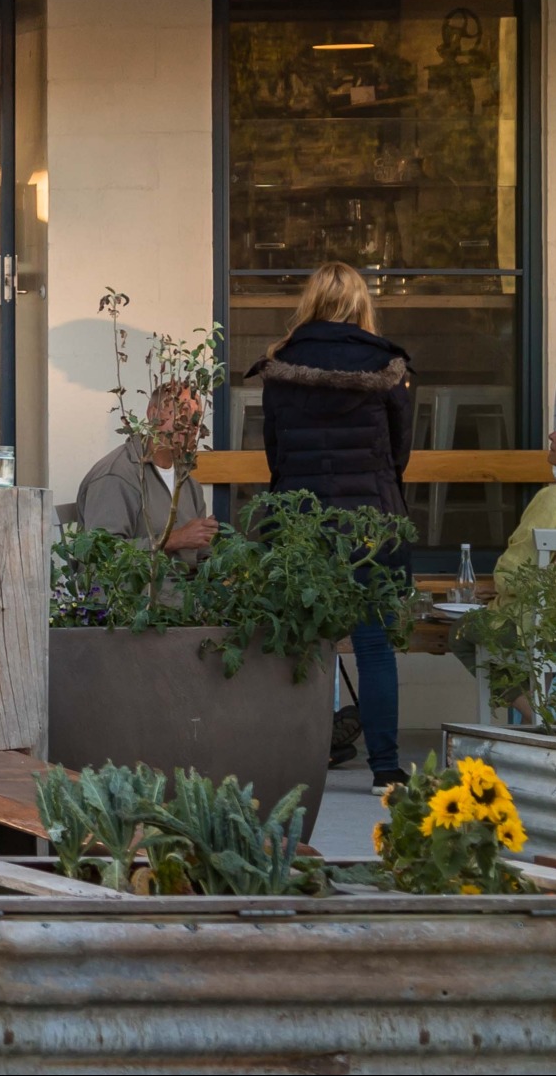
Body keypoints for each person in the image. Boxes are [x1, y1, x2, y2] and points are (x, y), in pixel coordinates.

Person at [243, 261, 415, 794]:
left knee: (301, 644)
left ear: (310, 302)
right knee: (373, 646)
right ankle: (385, 769)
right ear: (360, 303)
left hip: (301, 524)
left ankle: (297, 759)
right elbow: (399, 452)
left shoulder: (280, 365)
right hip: (372, 524)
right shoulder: (388, 366)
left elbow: (275, 454)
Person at [74, 383, 219, 560]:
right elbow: (101, 554)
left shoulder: (187, 482)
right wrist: (174, 539)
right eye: (182, 413)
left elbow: (203, 555)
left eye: (196, 418)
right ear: (153, 414)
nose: (190, 425)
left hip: (186, 585)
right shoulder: (117, 476)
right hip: (142, 587)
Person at [493, 429, 556, 581]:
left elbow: (513, 575)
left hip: (531, 604)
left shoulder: (552, 499)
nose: (551, 435)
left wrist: (499, 587)